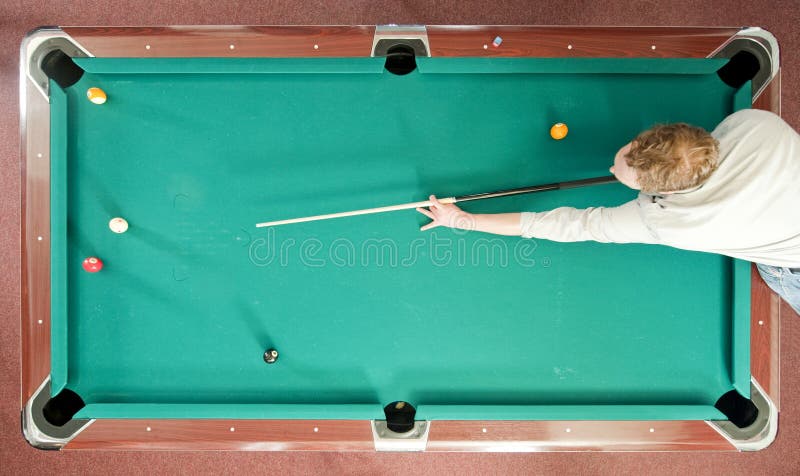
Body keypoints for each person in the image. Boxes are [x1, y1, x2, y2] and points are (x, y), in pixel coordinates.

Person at [416, 109, 800, 314]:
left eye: (626, 178)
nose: (613, 171)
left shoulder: (671, 222)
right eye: (624, 159)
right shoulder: (756, 124)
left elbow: (566, 225)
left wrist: (464, 220)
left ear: (662, 192)